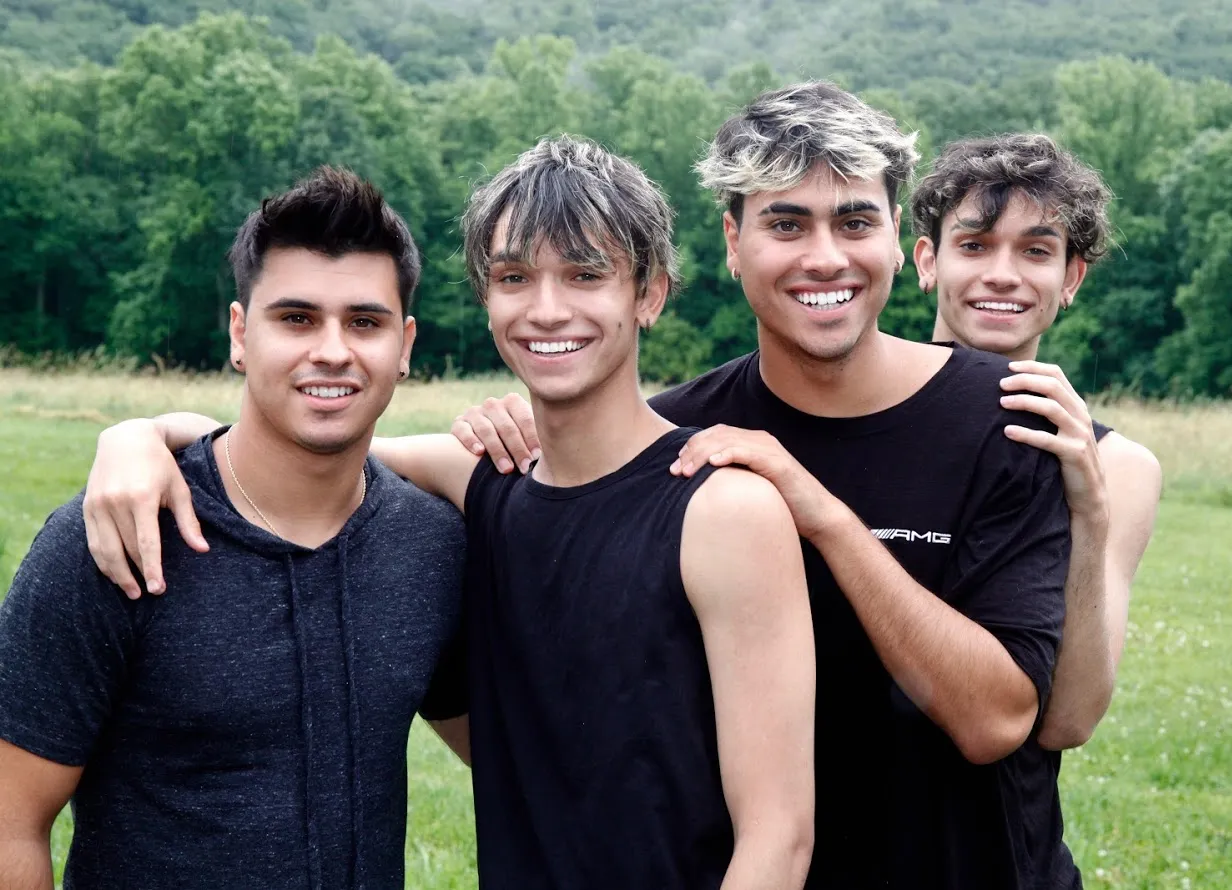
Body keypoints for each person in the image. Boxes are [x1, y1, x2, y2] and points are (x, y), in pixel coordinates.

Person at [79, 137, 817, 889]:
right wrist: (141, 435)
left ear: (649, 293)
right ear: (484, 295)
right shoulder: (482, 482)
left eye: (585, 275)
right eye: (514, 277)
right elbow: (305, 446)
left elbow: (778, 839)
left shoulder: (722, 509)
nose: (546, 308)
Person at [447, 82, 1084, 888]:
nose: (824, 257)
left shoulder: (1001, 423)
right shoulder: (681, 441)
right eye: (786, 223)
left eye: (854, 221)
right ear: (732, 241)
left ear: (897, 240)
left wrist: (825, 517)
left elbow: (997, 718)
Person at [0, 167, 468, 889]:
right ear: (239, 333)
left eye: (365, 322)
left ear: (404, 345)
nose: (333, 350)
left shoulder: (429, 547)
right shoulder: (114, 538)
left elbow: (512, 753)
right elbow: (11, 824)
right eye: (296, 318)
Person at [910, 133, 1162, 750]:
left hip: (1000, 838)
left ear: (1071, 276)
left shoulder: (1120, 468)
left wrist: (1090, 514)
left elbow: (1069, 721)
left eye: (1035, 251)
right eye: (973, 246)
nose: (1003, 275)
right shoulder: (858, 413)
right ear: (927, 261)